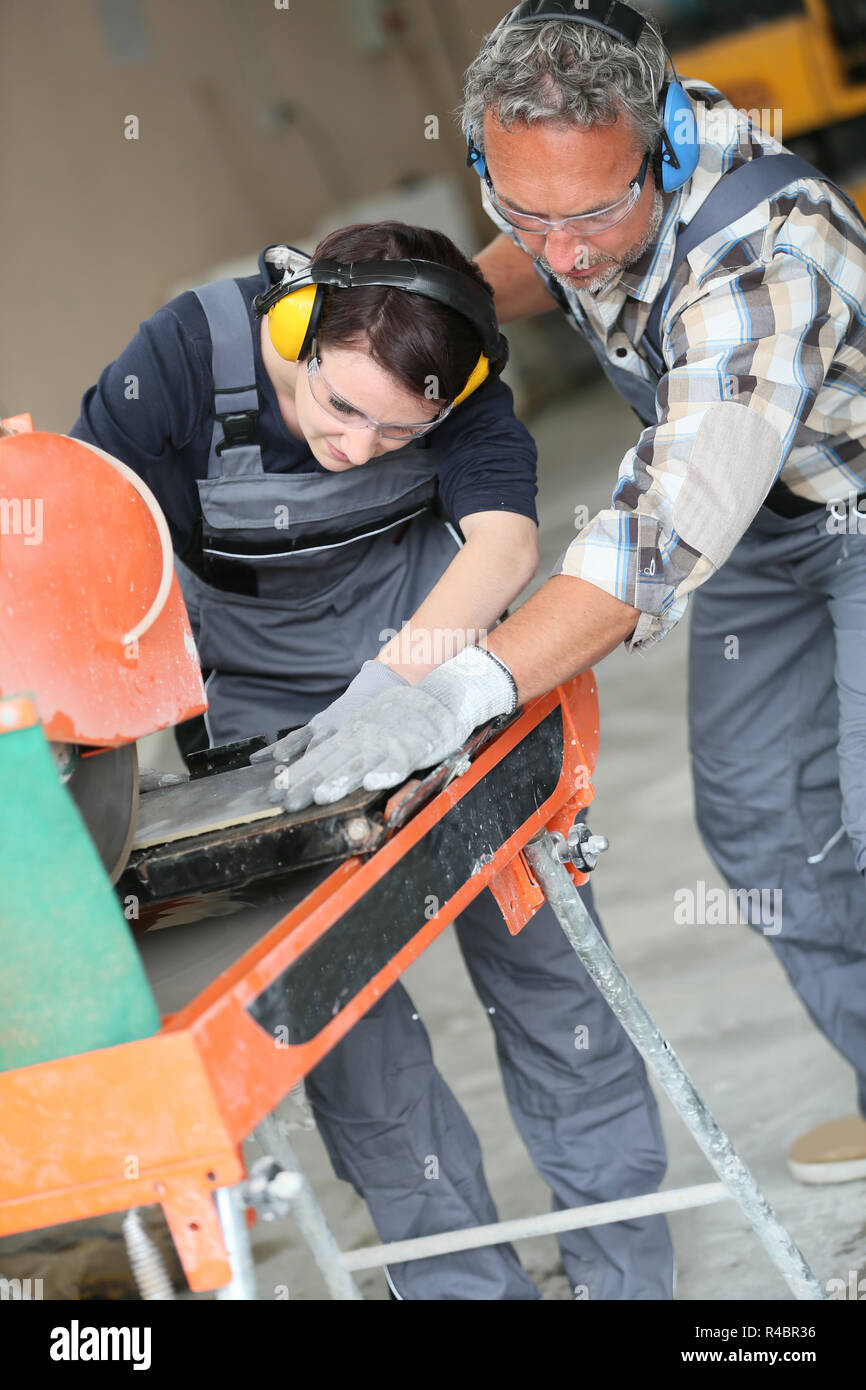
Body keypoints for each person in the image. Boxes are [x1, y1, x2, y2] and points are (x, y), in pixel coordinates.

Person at [272, 2, 866, 1188]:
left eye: (594, 213)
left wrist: (459, 689)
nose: (566, 250)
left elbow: (661, 525)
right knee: (762, 823)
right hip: (769, 529)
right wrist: (411, 328)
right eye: (524, 210)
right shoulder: (558, 200)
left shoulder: (767, 248)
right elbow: (529, 268)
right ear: (487, 158)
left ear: (652, 148)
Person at [71, 219, 674, 1299]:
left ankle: (625, 1278)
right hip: (265, 744)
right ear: (295, 327)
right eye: (339, 408)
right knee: (363, 1063)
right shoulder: (175, 363)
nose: (352, 448)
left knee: (556, 1004)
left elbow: (503, 542)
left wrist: (403, 693)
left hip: (440, 696)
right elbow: (97, 565)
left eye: (396, 435)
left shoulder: (456, 365)